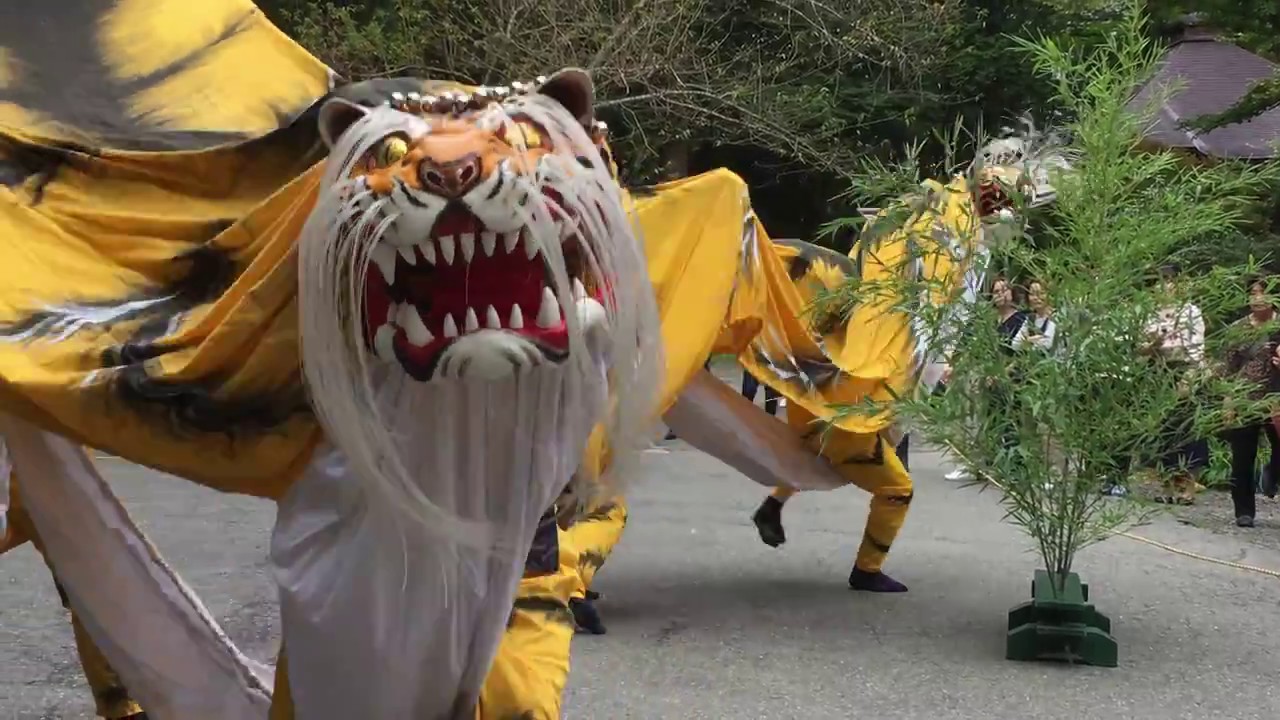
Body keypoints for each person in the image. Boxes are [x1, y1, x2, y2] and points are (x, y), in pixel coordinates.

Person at [942, 276, 1030, 481]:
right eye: (996, 291)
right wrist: (954, 364)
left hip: (1011, 377)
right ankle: (979, 464)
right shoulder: (988, 320)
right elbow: (968, 342)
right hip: (984, 376)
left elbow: (1020, 352)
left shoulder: (1022, 319)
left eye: (1004, 290)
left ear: (1012, 292)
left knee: (1010, 422)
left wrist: (1002, 373)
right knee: (982, 421)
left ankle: (1012, 468)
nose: (1001, 295)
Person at [1143, 263, 1208, 505]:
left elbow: (1197, 348)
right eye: (1159, 282)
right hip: (1160, 371)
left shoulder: (1190, 311)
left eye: (1168, 281)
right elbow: (1141, 347)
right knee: (1164, 430)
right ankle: (1167, 484)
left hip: (1185, 369)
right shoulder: (1150, 313)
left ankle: (1188, 485)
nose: (1163, 287)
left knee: (1188, 429)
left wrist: (1189, 377)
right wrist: (1153, 344)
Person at [1219, 276, 1280, 527]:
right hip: (1245, 398)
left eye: (1263, 292)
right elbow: (1228, 367)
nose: (1257, 298)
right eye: (1253, 293)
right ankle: (1244, 510)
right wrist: (1228, 399)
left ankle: (1272, 474)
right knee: (1242, 456)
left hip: (1276, 399)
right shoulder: (1238, 328)